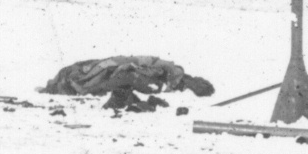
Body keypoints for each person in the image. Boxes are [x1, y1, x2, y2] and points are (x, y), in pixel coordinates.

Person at [40, 56, 216, 99]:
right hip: (119, 67)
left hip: (121, 69)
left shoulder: (173, 77)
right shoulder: (172, 72)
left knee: (87, 79)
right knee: (85, 77)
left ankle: (57, 86)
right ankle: (57, 86)